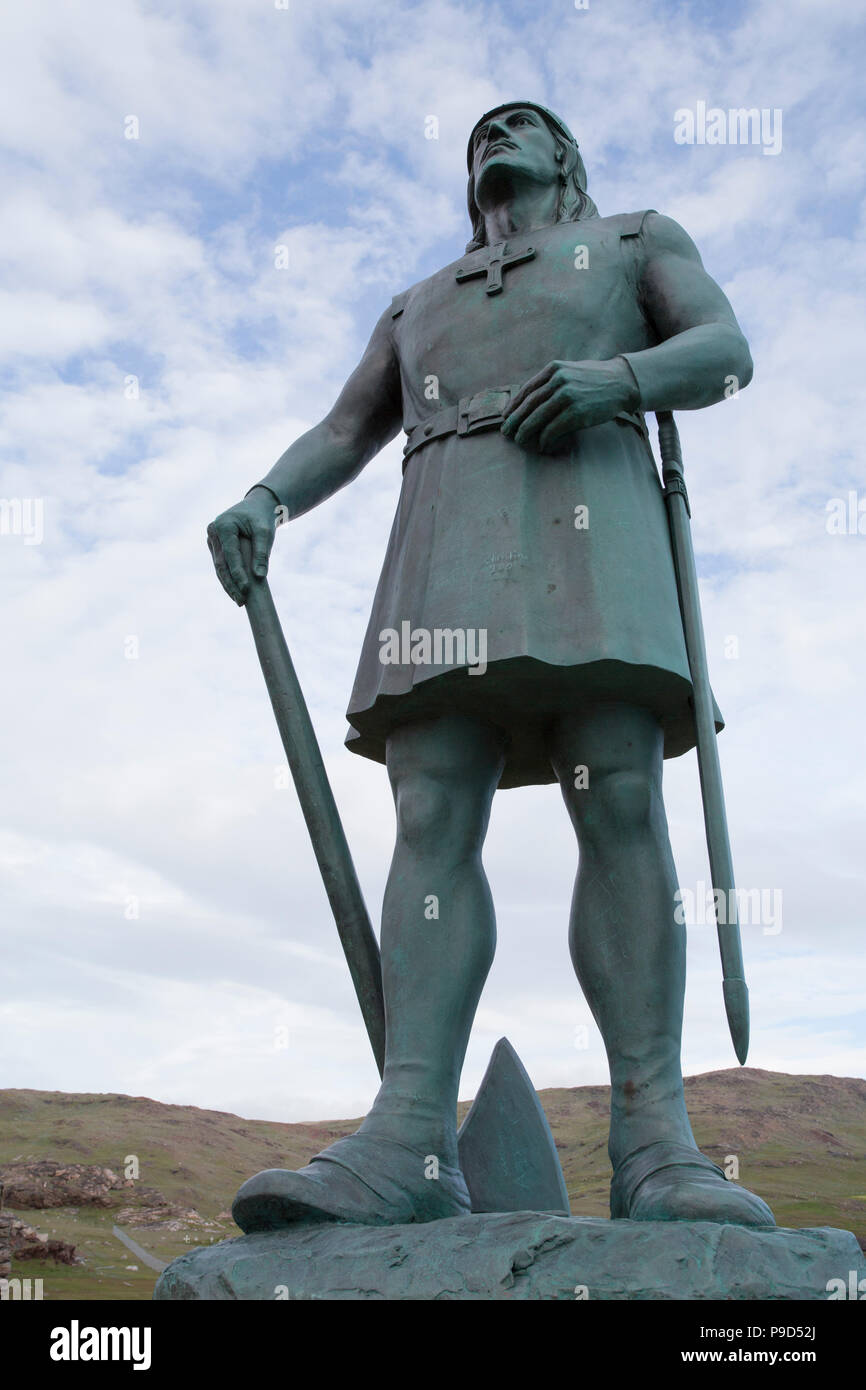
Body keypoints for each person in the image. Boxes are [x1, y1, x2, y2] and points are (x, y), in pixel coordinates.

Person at [208, 102, 774, 1230]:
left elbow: (722, 352)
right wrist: (265, 495)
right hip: (443, 543)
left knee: (616, 792)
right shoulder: (417, 303)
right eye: (476, 131)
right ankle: (409, 1135)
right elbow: (342, 430)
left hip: (592, 521)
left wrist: (621, 379)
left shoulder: (634, 240)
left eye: (520, 123)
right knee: (429, 810)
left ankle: (653, 1138)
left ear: (564, 157)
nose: (493, 136)